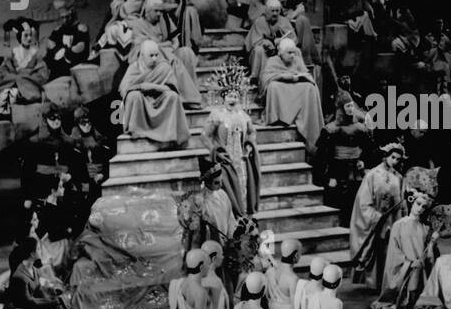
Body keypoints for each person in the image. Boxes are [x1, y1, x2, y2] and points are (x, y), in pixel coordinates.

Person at [200, 71, 261, 216]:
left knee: (243, 187)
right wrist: (215, 150)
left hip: (241, 159)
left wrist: (249, 144)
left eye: (235, 96)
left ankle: (243, 217)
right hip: (224, 160)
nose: (232, 99)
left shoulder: (244, 116)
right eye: (229, 96)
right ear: (223, 97)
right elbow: (204, 135)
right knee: (225, 191)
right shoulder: (217, 115)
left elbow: (252, 132)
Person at [349, 142, 405, 289]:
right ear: (386, 156)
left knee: (389, 249)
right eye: (393, 157)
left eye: (398, 159)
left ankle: (386, 282)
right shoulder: (373, 175)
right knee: (375, 250)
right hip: (376, 218)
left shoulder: (398, 177)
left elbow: (399, 200)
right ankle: (373, 282)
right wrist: (375, 215)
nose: (395, 161)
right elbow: (363, 201)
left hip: (392, 219)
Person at [371, 192, 433, 309]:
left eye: (424, 206)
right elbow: (395, 251)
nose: (420, 208)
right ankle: (405, 301)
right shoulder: (399, 225)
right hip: (405, 266)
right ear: (412, 202)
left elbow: (428, 251)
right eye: (418, 204)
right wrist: (408, 262)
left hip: (420, 267)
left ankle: (414, 302)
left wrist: (432, 244)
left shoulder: (425, 227)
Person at [118, 39, 191, 148]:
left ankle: (170, 132)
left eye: (156, 55)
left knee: (173, 96)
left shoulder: (163, 67)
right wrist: (139, 88)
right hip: (142, 102)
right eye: (151, 56)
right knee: (133, 96)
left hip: (159, 100)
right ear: (142, 55)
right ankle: (137, 129)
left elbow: (171, 88)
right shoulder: (134, 67)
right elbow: (124, 89)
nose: (155, 59)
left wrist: (153, 87)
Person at [260, 39, 324, 152]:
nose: (293, 55)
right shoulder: (272, 61)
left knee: (310, 88)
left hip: (296, 87)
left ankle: (307, 122)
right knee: (273, 87)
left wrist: (299, 77)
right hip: (281, 87)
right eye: (289, 53)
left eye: (294, 52)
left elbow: (307, 75)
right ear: (280, 53)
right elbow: (265, 79)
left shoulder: (297, 60)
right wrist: (284, 77)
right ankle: (279, 116)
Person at [0, 18, 49, 116]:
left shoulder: (36, 53)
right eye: (26, 35)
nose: (29, 38)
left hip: (30, 84)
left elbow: (43, 72)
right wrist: (9, 74)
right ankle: (4, 117)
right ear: (19, 36)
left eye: (30, 35)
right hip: (12, 82)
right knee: (5, 94)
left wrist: (26, 75)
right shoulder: (13, 52)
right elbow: (2, 69)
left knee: (19, 95)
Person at [1, 237, 65, 309]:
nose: (41, 251)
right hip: (22, 307)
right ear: (32, 254)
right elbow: (28, 301)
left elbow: (39, 289)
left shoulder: (34, 270)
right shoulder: (20, 275)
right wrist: (50, 302)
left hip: (32, 304)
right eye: (38, 249)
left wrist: (50, 298)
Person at [247, 0, 295, 84]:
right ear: (266, 11)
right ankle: (258, 81)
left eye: (277, 11)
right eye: (272, 11)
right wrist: (266, 43)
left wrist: (282, 43)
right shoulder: (260, 22)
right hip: (264, 53)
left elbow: (293, 39)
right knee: (258, 50)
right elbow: (254, 41)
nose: (275, 13)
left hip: (279, 54)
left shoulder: (284, 21)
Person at [43, 0, 91, 79]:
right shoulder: (58, 30)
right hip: (58, 70)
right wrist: (56, 50)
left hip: (74, 68)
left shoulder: (81, 28)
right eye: (62, 17)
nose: (64, 20)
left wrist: (64, 52)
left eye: (67, 17)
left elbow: (81, 48)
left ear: (72, 13)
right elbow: (49, 44)